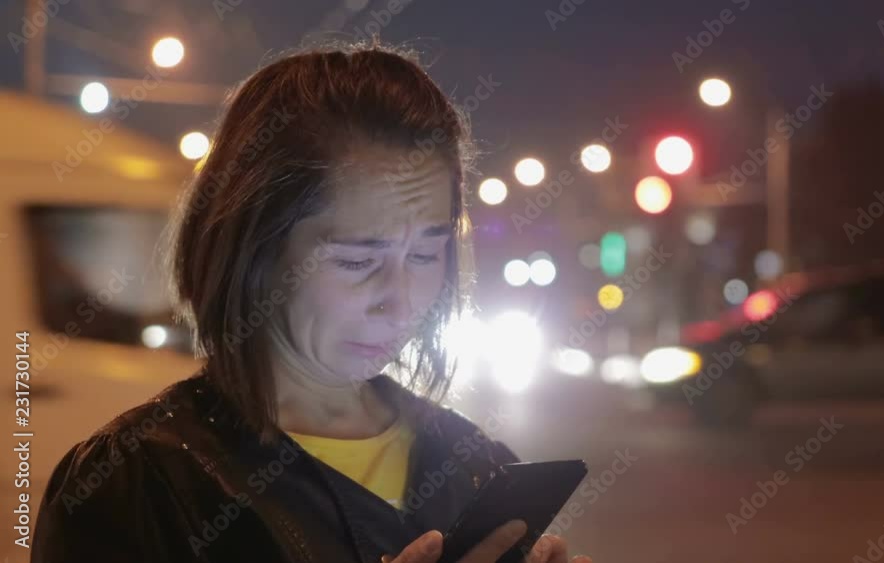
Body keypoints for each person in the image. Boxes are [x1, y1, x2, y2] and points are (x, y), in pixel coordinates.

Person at [31, 43, 593, 563]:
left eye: (427, 254)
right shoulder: (138, 480)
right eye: (356, 261)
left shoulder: (477, 466)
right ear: (253, 248)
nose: (400, 302)